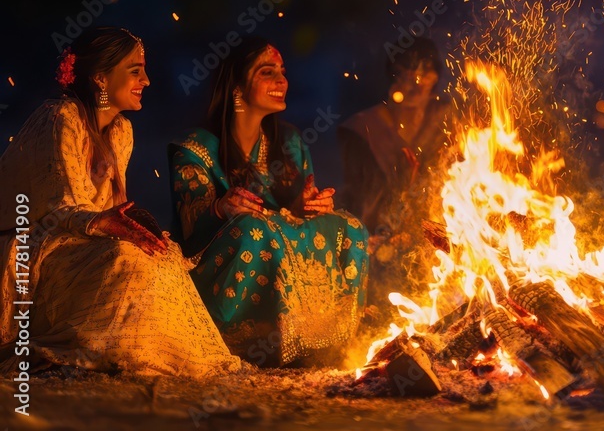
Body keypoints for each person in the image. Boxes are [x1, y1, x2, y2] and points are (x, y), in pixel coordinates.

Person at [0, 27, 240, 377]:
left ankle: (145, 353)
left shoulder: (121, 130)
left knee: (158, 254)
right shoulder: (60, 117)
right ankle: (92, 346)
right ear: (100, 78)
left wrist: (136, 227)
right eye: (135, 70)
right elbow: (59, 206)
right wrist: (106, 225)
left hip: (84, 240)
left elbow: (114, 205)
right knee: (127, 256)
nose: (147, 80)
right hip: (38, 244)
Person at [169, 38, 369, 367]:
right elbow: (189, 232)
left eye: (282, 72)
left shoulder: (289, 142)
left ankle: (329, 343)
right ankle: (247, 338)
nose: (281, 81)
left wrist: (309, 206)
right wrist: (221, 208)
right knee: (255, 231)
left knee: (350, 228)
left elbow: (294, 212)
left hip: (281, 234)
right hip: (221, 260)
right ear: (236, 87)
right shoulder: (195, 149)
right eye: (267, 72)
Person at [338, 37, 453, 326]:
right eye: (405, 72)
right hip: (380, 234)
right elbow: (362, 205)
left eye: (423, 72)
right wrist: (401, 187)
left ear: (436, 77)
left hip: (439, 229)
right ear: (393, 77)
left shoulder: (449, 124)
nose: (414, 82)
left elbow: (456, 191)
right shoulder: (365, 129)